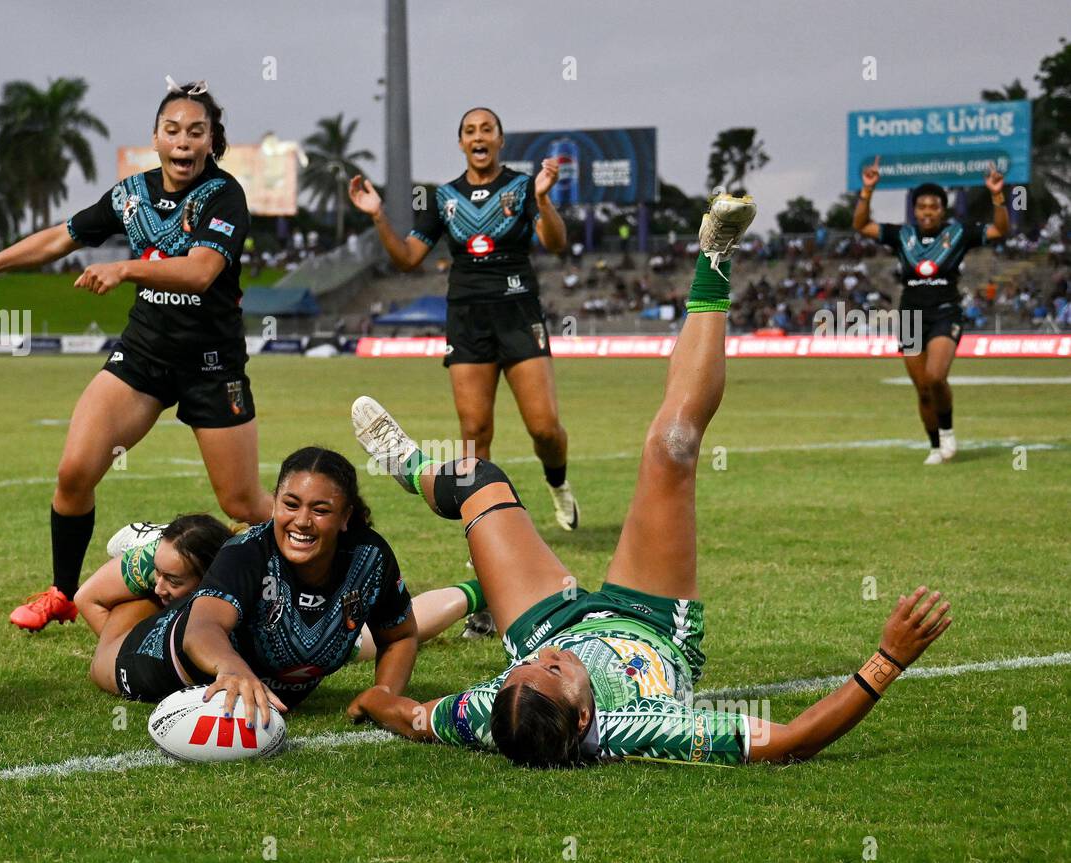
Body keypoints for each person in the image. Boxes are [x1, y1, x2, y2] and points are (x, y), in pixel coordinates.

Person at [347, 194, 953, 767]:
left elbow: (411, 714)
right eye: (555, 673)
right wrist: (887, 661)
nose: (546, 663)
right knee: (673, 447)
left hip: (544, 615)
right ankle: (715, 258)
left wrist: (376, 703)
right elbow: (793, 740)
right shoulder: (641, 724)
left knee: (479, 478)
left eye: (521, 672)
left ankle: (409, 467)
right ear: (586, 720)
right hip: (650, 620)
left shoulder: (494, 709)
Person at [0, 77, 272, 631]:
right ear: (156, 138)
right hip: (143, 356)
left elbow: (199, 271)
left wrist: (124, 267)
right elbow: (60, 237)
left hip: (212, 365)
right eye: (173, 131)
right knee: (75, 472)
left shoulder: (224, 195)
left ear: (213, 141)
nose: (184, 142)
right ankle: (62, 593)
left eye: (197, 132)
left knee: (242, 504)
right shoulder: (131, 195)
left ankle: (342, 573)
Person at [348, 107, 580, 532]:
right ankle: (486, 527)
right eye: (470, 131)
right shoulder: (443, 198)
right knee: (475, 431)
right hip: (467, 318)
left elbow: (556, 242)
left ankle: (559, 484)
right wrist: (378, 215)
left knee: (545, 429)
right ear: (460, 143)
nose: (479, 136)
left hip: (518, 312)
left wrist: (544, 199)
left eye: (487, 129)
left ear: (499, 140)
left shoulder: (523, 187)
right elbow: (406, 259)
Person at [100, 448, 436, 728]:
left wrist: (385, 691)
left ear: (346, 516)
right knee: (103, 658)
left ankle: (167, 569)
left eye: (320, 510)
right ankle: (149, 563)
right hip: (163, 653)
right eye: (291, 505)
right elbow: (202, 628)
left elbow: (400, 636)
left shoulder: (370, 559)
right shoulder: (247, 552)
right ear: (274, 504)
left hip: (250, 661)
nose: (302, 521)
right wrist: (231, 668)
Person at [81, 512, 491, 692]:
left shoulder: (248, 572)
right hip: (161, 625)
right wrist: (150, 621)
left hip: (242, 613)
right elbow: (89, 599)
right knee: (152, 604)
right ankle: (150, 537)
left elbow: (400, 631)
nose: (160, 584)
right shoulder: (145, 568)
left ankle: (481, 588)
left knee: (366, 639)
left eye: (173, 579)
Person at [853, 156, 1008, 464]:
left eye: (934, 207)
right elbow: (861, 225)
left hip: (945, 310)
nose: (927, 212)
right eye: (922, 207)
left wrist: (997, 195)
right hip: (910, 314)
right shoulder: (903, 235)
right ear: (915, 210)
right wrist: (867, 190)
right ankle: (936, 446)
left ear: (942, 209)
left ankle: (948, 431)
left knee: (936, 377)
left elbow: (999, 230)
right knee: (923, 389)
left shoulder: (958, 234)